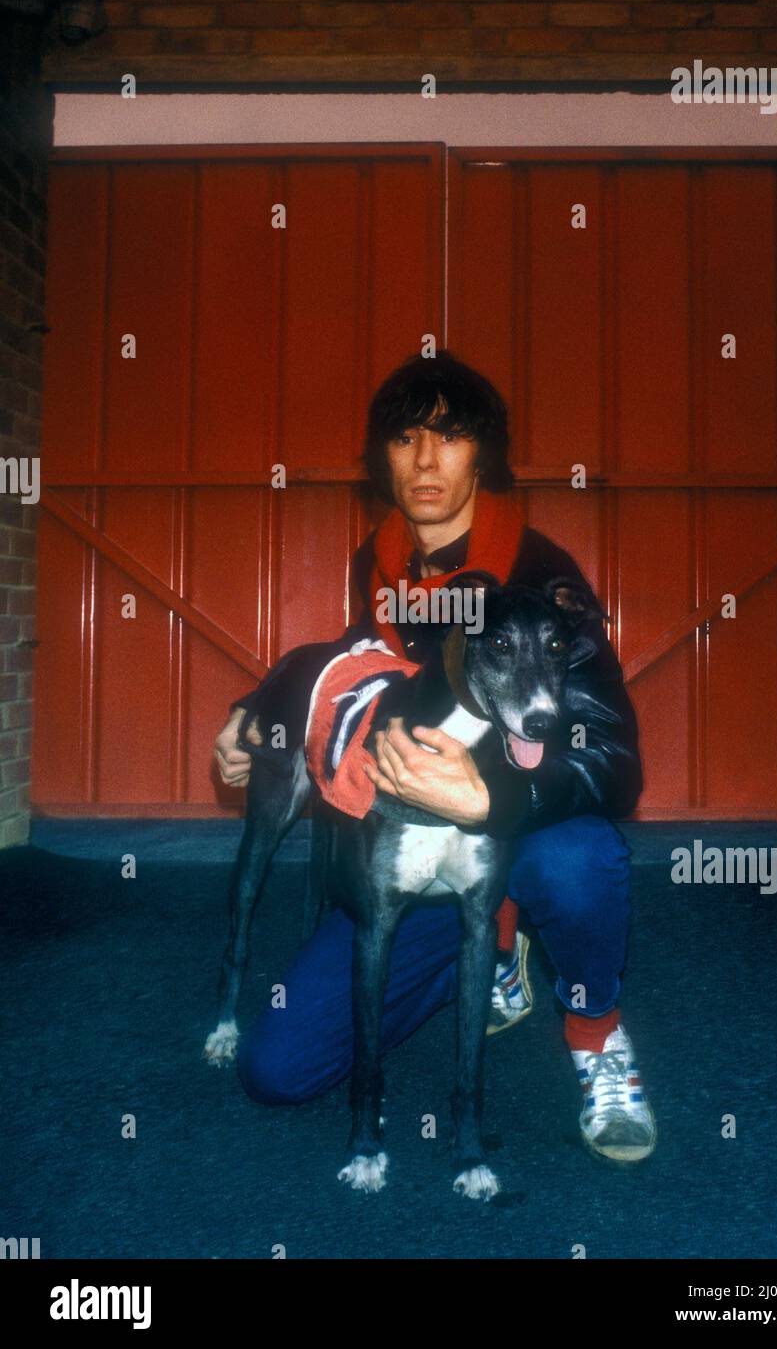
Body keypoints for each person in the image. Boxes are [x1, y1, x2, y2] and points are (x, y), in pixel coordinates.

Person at [213, 350, 656, 1164]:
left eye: (449, 440)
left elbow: (613, 760)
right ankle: (490, 947)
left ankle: (595, 1035)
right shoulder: (378, 562)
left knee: (579, 860)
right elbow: (349, 656)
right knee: (276, 1067)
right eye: (406, 438)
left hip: (528, 820)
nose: (424, 461)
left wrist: (492, 803)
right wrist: (259, 707)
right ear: (382, 456)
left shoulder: (541, 574)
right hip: (419, 840)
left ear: (481, 455)